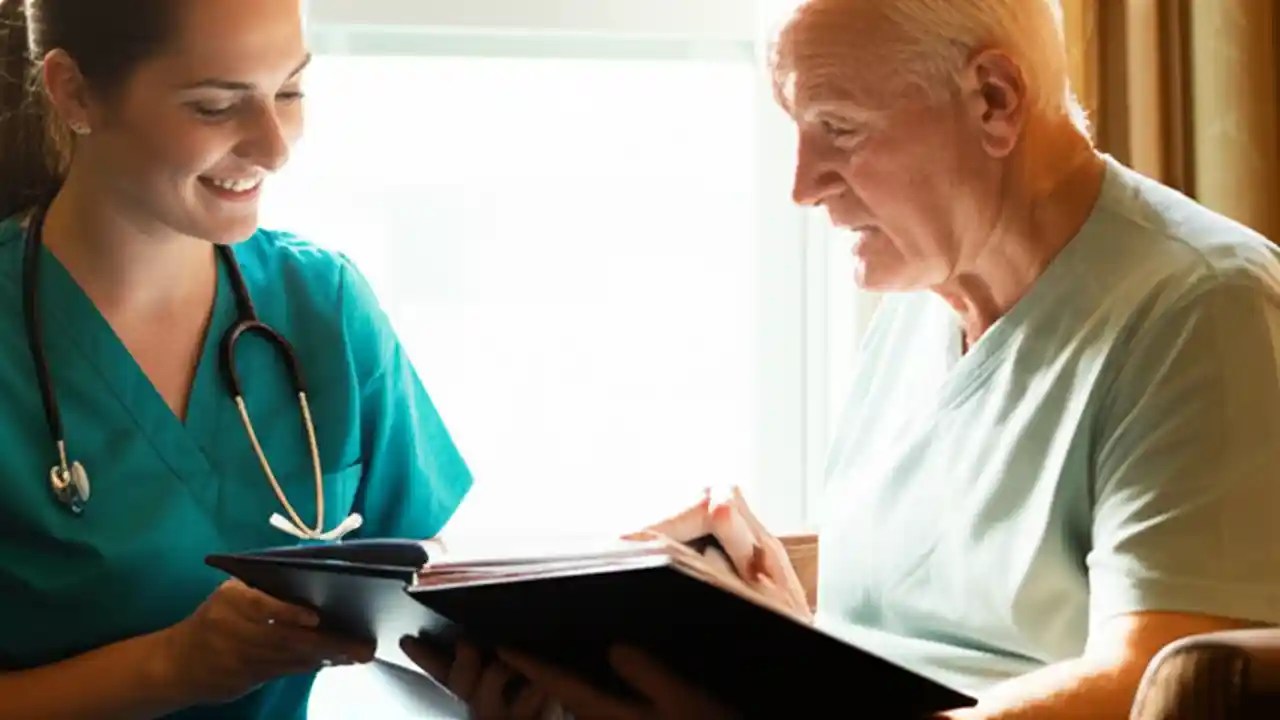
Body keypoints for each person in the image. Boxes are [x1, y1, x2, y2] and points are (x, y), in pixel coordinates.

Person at [404, 0, 1280, 717]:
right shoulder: (915, 307)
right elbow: (921, 645)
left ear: (994, 100)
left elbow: (1167, 689)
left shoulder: (1202, 304)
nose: (801, 182)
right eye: (793, 123)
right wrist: (751, 631)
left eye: (838, 126)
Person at [0, 0, 475, 718]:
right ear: (74, 92)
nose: (276, 146)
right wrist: (171, 668)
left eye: (289, 91)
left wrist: (507, 681)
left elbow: (420, 603)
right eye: (217, 106)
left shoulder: (323, 307)